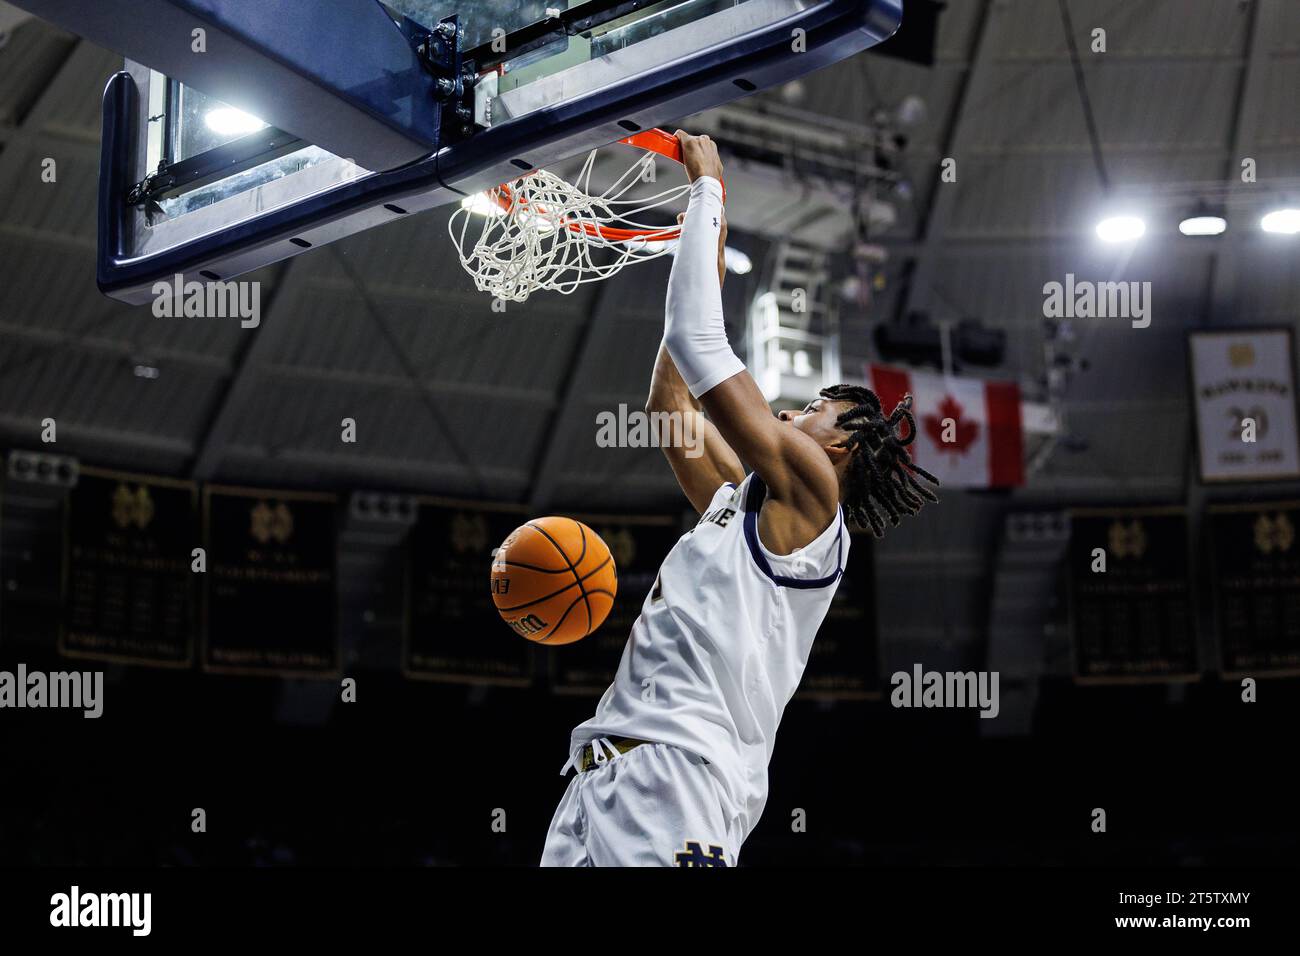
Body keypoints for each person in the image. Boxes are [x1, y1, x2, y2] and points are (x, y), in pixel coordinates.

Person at [541, 131, 938, 867]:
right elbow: (668, 406)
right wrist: (706, 253)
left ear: (845, 445)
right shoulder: (743, 500)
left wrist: (708, 190)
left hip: (679, 779)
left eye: (814, 408)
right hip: (601, 776)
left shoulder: (816, 499)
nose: (791, 413)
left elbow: (697, 341)